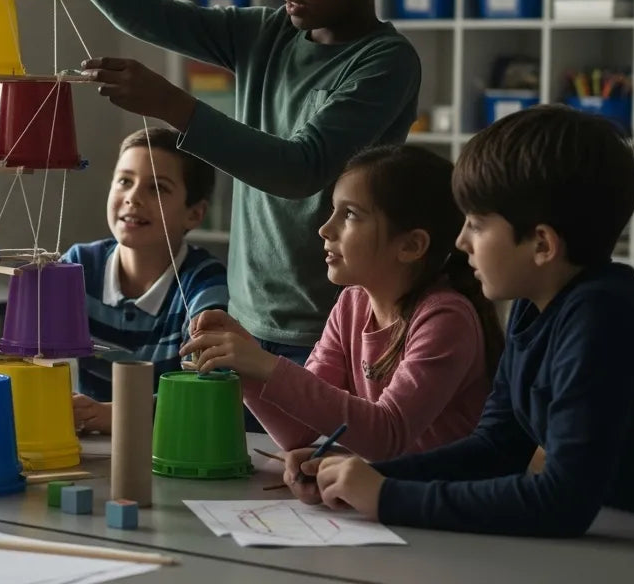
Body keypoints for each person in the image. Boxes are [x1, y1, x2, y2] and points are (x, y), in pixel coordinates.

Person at [0, 0, 421, 372]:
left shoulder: (386, 63)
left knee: (314, 454)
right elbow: (146, 13)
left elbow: (301, 167)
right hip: (247, 320)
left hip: (334, 326)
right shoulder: (267, 32)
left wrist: (171, 104)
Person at [303, 106, 634, 536]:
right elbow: (497, 447)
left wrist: (386, 497)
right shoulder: (534, 302)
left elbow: (561, 502)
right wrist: (370, 477)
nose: (462, 241)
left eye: (477, 224)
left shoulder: (602, 318)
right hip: (633, 526)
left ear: (541, 244)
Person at [182, 145, 501, 459]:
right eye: (333, 210)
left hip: (441, 505)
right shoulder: (352, 303)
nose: (324, 229)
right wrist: (245, 365)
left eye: (349, 214)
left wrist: (266, 365)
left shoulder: (446, 318)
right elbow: (298, 431)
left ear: (411, 245)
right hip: (391, 497)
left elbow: (387, 435)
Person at [65, 128, 228, 434]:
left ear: (194, 214)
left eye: (157, 188)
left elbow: (206, 390)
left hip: (170, 449)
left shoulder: (205, 282)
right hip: (87, 446)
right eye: (125, 181)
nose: (133, 198)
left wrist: (116, 415)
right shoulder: (76, 267)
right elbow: (33, 358)